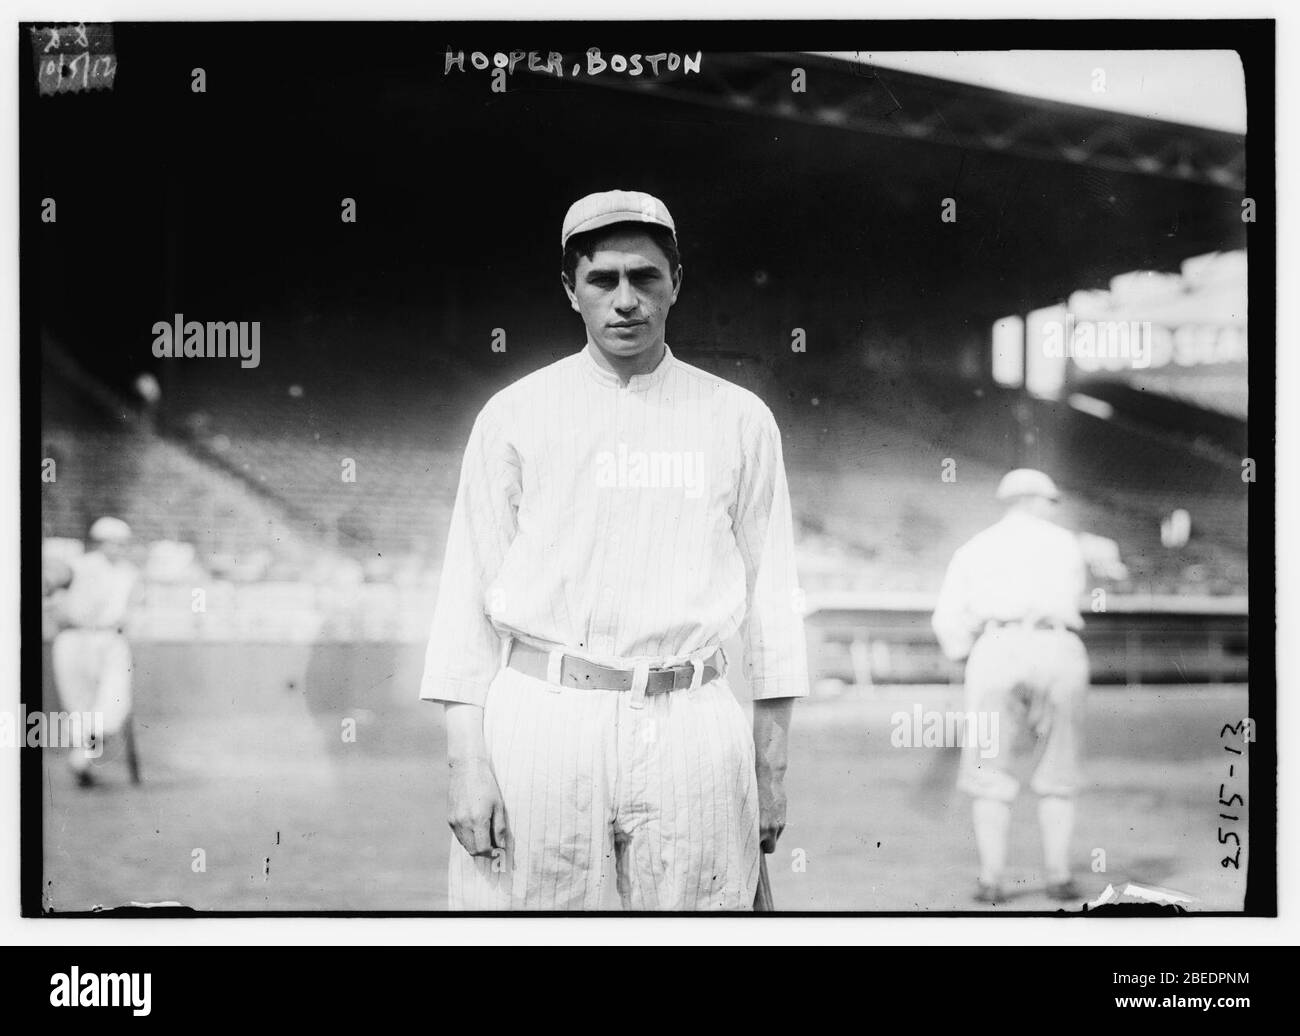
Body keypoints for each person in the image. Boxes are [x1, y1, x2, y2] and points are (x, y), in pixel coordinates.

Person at [420, 189, 809, 910]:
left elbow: (774, 608)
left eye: (645, 277)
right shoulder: (514, 415)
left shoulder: (738, 419)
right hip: (546, 716)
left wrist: (771, 768)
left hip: (692, 720)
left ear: (676, 284)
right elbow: (466, 606)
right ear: (571, 291)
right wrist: (467, 764)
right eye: (603, 279)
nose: (625, 299)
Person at [931, 469, 1089, 904]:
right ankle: (1058, 876)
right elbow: (1075, 594)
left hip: (996, 643)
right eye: (1049, 500)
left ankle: (992, 880)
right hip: (1057, 644)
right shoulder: (1065, 543)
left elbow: (948, 621)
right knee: (1058, 766)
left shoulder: (975, 546)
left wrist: (970, 653)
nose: (1051, 507)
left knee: (987, 768)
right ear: (1035, 499)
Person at [50, 516, 141, 787]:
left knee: (114, 705)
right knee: (79, 707)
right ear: (99, 542)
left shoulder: (129, 573)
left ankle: (82, 757)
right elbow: (51, 593)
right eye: (112, 542)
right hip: (74, 637)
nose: (119, 548)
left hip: (110, 638)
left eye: (123, 543)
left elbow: (132, 610)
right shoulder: (77, 566)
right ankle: (84, 760)